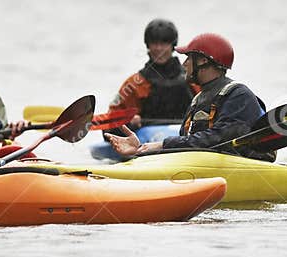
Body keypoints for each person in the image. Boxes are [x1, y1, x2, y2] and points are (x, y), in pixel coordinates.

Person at [105, 33, 274, 161]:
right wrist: (140, 150)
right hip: (202, 167)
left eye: (188, 58)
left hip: (245, 168)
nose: (184, 64)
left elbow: (219, 138)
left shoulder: (238, 95)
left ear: (202, 61)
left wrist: (162, 144)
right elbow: (190, 144)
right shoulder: (198, 100)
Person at [105, 18, 197, 133]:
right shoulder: (134, 84)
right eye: (154, 43)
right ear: (148, 45)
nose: (159, 48)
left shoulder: (194, 78)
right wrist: (128, 122)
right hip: (147, 141)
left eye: (164, 43)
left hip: (188, 137)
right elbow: (108, 127)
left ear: (173, 45)